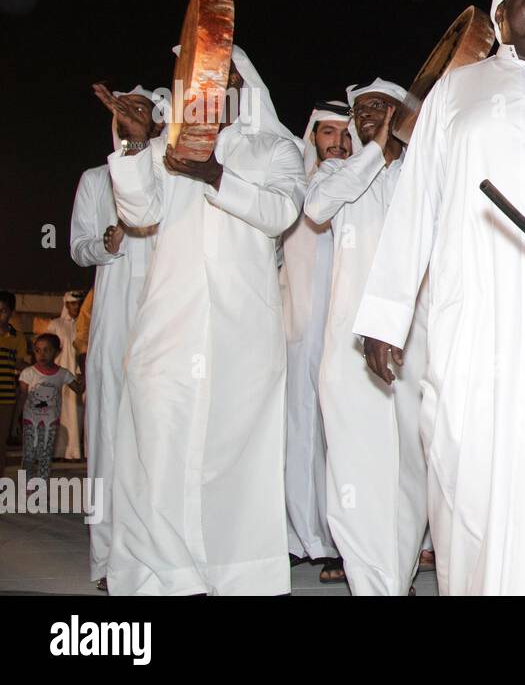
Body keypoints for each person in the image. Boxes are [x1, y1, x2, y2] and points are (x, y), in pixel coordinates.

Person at [354, 0, 525, 595]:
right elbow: (416, 199)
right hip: (471, 306)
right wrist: (384, 316)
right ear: (498, 18)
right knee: (466, 456)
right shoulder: (456, 89)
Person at [102, 46, 305, 595]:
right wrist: (134, 143)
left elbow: (280, 212)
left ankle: (231, 576)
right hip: (169, 330)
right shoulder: (170, 141)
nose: (216, 83)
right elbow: (139, 211)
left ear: (246, 81)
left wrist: (215, 176)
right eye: (206, 74)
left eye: (227, 74)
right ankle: (166, 577)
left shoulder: (275, 146)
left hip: (243, 335)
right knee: (157, 450)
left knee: (233, 461)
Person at [306, 80, 431, 596]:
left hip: (416, 341)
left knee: (410, 466)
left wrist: (398, 148)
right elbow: (316, 209)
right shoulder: (339, 173)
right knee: (354, 463)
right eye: (360, 110)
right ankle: (370, 582)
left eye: (380, 107)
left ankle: (396, 575)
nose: (367, 115)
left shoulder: (424, 173)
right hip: (349, 346)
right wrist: (376, 149)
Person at [73, 84, 164, 590]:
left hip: (161, 319)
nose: (129, 117)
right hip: (113, 324)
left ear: (156, 121)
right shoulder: (93, 180)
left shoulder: (171, 174)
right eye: (121, 110)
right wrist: (106, 245)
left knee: (156, 437)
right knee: (108, 437)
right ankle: (109, 559)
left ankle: (154, 553)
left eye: (140, 110)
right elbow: (79, 247)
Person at [282, 100, 351, 582]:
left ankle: (333, 538)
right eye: (328, 133)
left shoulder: (362, 181)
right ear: (312, 135)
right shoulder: (293, 182)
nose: (338, 143)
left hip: (344, 332)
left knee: (335, 433)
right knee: (293, 429)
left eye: (345, 135)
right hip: (295, 324)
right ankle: (291, 534)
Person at [18, 334, 84, 488]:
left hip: (51, 423)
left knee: (45, 456)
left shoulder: (63, 374)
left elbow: (79, 390)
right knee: (29, 454)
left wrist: (86, 373)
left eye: (47, 350)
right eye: (38, 350)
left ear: (57, 352)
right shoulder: (28, 373)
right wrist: (16, 420)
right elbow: (22, 398)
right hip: (29, 421)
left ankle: (41, 486)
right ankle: (27, 485)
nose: (41, 354)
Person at [45, 292, 84, 460]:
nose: (76, 307)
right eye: (73, 304)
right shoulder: (56, 325)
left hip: (79, 376)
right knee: (59, 414)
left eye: (78, 303)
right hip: (59, 375)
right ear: (66, 305)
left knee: (77, 415)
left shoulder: (84, 325)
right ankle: (58, 452)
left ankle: (74, 452)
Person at [0, 291, 30, 476]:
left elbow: (20, 363)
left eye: (3, 310)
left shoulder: (17, 337)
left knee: (1, 441)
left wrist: (39, 369)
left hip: (6, 397)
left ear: (11, 312)